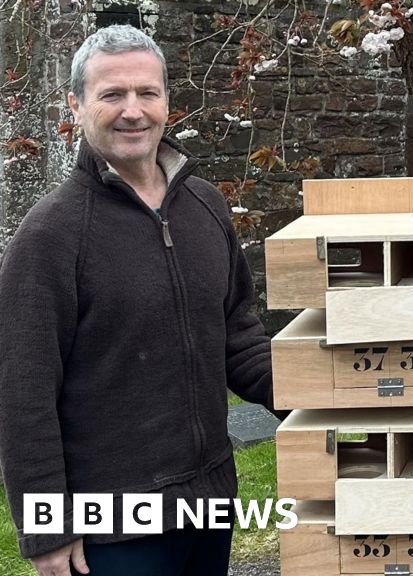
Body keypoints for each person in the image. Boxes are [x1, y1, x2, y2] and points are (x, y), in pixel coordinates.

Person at [0, 24, 278, 576]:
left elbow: (239, 338)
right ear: (76, 105)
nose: (134, 110)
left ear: (167, 102)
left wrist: (335, 397)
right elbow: (22, 393)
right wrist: (46, 530)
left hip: (209, 503)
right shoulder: (50, 236)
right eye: (112, 95)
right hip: (113, 526)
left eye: (147, 93)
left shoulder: (205, 206)